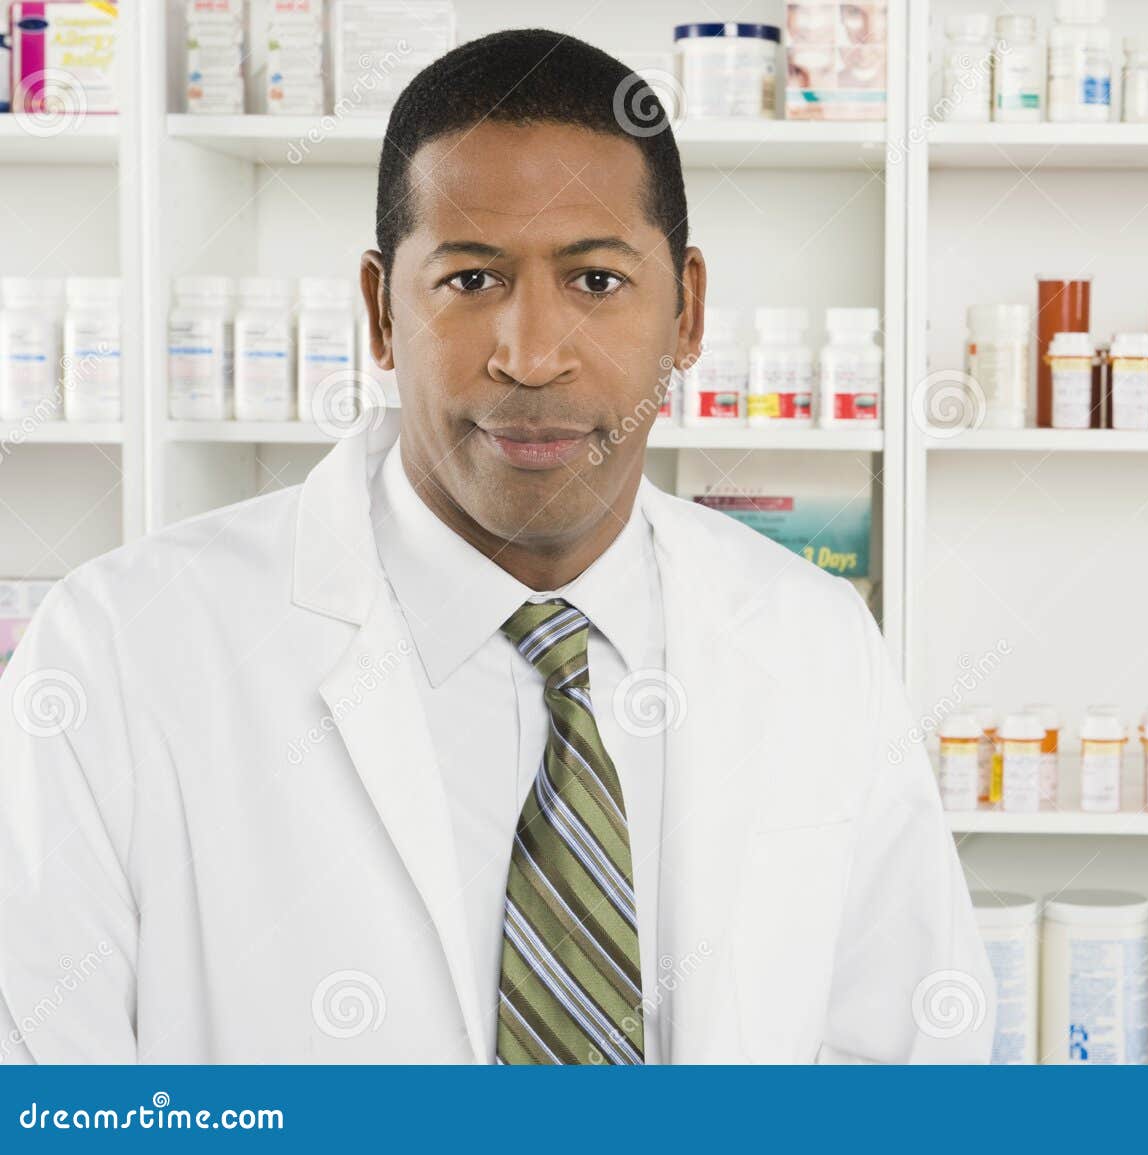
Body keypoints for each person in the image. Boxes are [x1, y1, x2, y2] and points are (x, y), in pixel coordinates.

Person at [0, 29, 991, 1064]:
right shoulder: (123, 650)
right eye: (470, 280)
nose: (530, 356)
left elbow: (911, 1071)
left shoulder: (816, 643)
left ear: (687, 312)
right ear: (382, 313)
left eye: (597, 282)